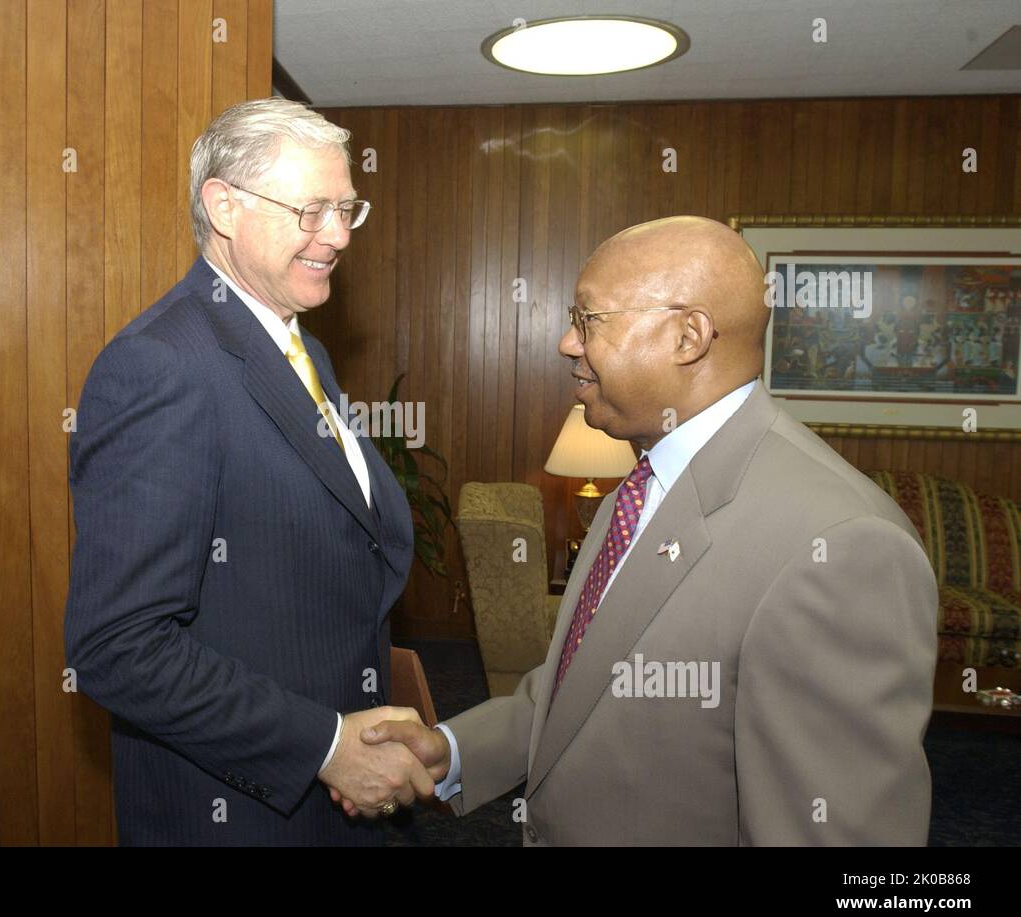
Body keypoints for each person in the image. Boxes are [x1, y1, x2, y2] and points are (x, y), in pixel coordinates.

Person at [343, 216, 938, 845]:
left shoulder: (843, 547)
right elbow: (581, 686)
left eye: (589, 319)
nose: (567, 343)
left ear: (688, 337)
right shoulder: (641, 483)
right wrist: (452, 752)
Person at [65, 98, 431, 845]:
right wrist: (324, 745)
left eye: (346, 209)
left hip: (328, 798)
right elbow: (119, 648)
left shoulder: (302, 346)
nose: (336, 235)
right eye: (311, 209)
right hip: (234, 811)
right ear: (223, 206)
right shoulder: (159, 365)